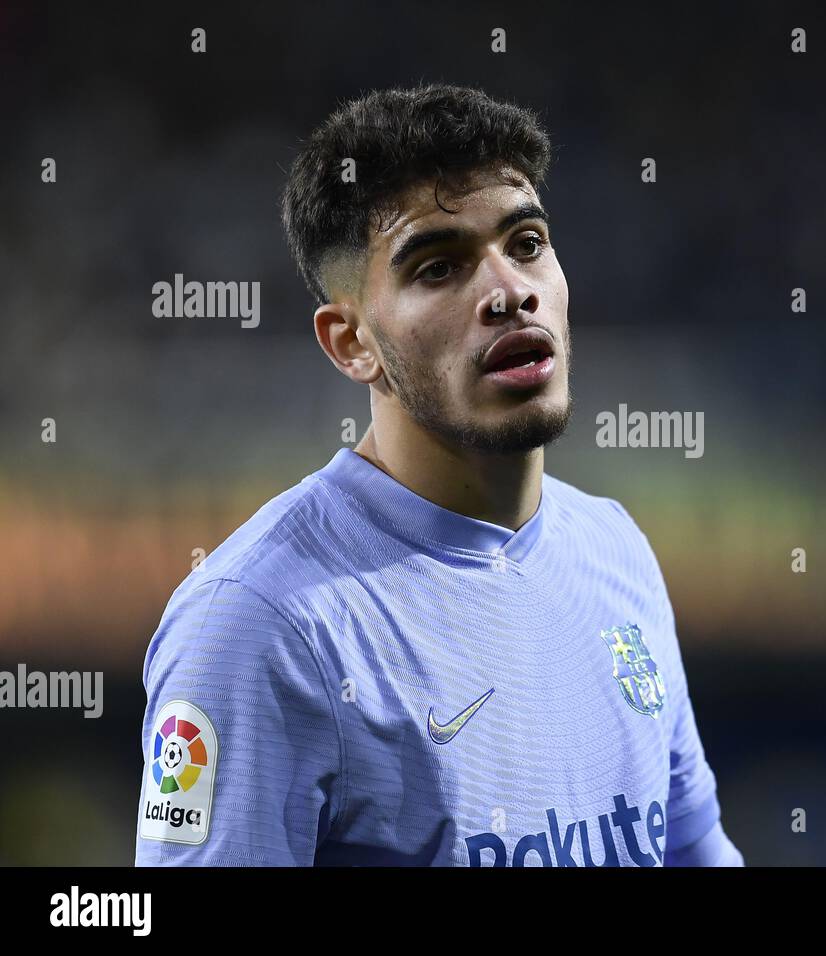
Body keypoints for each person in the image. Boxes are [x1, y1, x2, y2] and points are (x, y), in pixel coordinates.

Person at [133, 83, 743, 867]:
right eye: (439, 268)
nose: (508, 292)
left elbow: (696, 849)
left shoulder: (614, 550)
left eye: (526, 244)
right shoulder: (259, 624)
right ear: (352, 343)